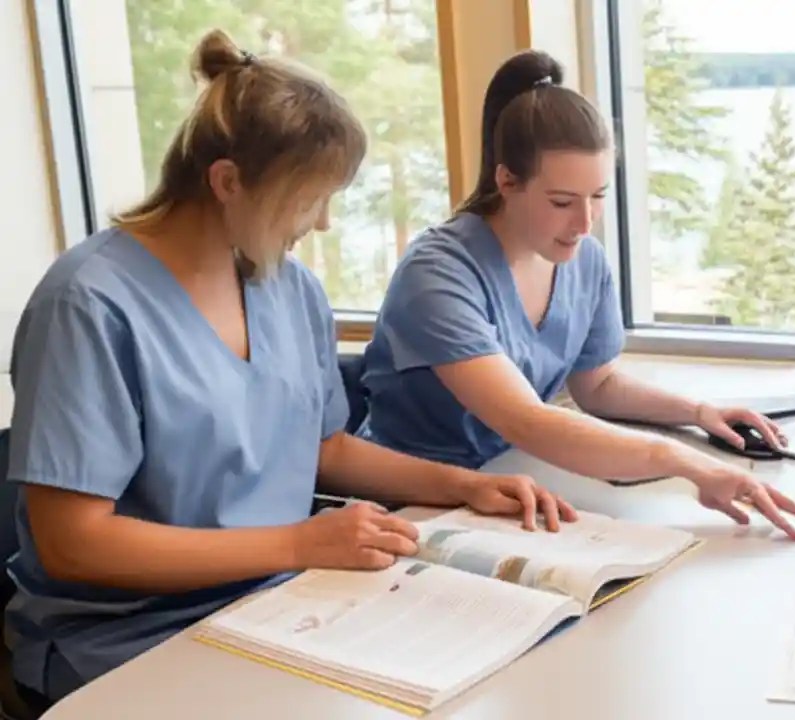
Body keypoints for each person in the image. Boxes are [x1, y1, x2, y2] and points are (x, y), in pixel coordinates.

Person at [3, 30, 570, 703]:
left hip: (276, 605)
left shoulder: (289, 287)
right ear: (227, 182)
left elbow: (325, 446)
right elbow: (75, 544)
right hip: (127, 641)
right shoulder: (88, 304)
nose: (324, 223)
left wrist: (459, 486)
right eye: (309, 200)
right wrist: (298, 544)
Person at [356, 49, 795, 539]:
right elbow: (526, 420)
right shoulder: (437, 274)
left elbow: (598, 386)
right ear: (506, 180)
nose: (584, 222)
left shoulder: (582, 258)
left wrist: (697, 414)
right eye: (562, 202)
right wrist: (685, 463)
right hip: (410, 503)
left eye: (597, 197)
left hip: (511, 480)